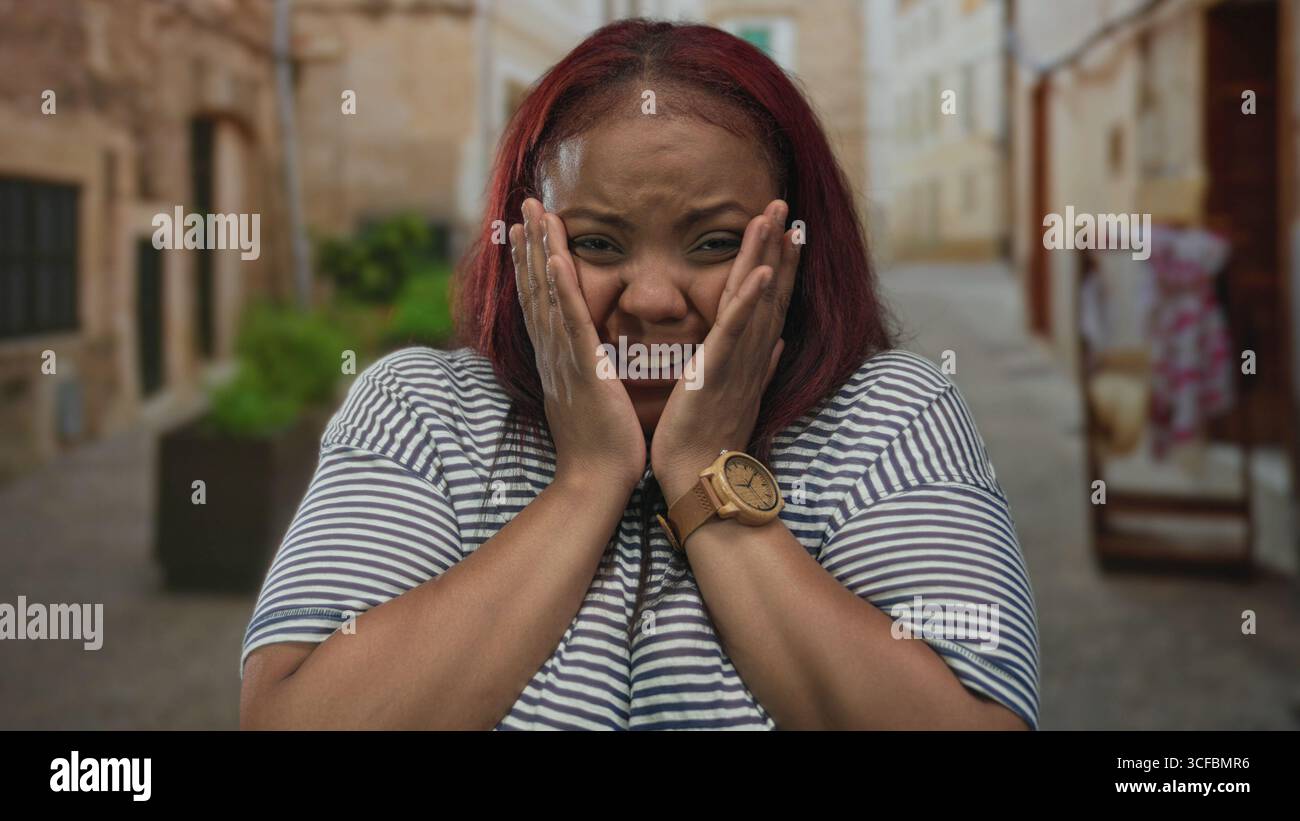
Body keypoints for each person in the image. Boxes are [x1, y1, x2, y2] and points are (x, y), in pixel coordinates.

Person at [238, 18, 1039, 730]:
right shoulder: (419, 412)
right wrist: (587, 479)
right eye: (597, 243)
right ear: (524, 244)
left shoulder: (891, 418)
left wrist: (704, 477)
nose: (652, 300)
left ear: (797, 242)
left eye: (715, 242)